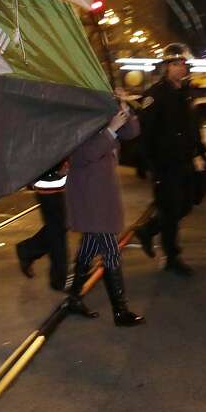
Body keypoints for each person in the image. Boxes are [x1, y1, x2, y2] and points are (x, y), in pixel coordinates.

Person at [64, 97, 144, 326]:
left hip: (103, 193)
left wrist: (126, 111)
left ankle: (74, 298)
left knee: (89, 247)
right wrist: (111, 130)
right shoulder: (76, 117)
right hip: (89, 196)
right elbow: (84, 154)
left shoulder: (102, 112)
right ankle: (120, 311)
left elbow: (132, 133)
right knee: (110, 250)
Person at [134, 43, 206, 276]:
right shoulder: (155, 95)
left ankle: (148, 230)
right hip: (165, 163)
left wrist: (202, 152)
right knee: (170, 210)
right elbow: (145, 131)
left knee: (187, 204)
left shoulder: (186, 92)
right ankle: (172, 257)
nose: (180, 68)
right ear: (166, 67)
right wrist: (145, 163)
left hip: (185, 160)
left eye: (183, 64)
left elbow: (192, 127)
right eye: (175, 64)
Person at [15, 160, 70, 292]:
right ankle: (59, 279)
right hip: (49, 180)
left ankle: (28, 250)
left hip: (56, 178)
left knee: (59, 226)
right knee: (57, 230)